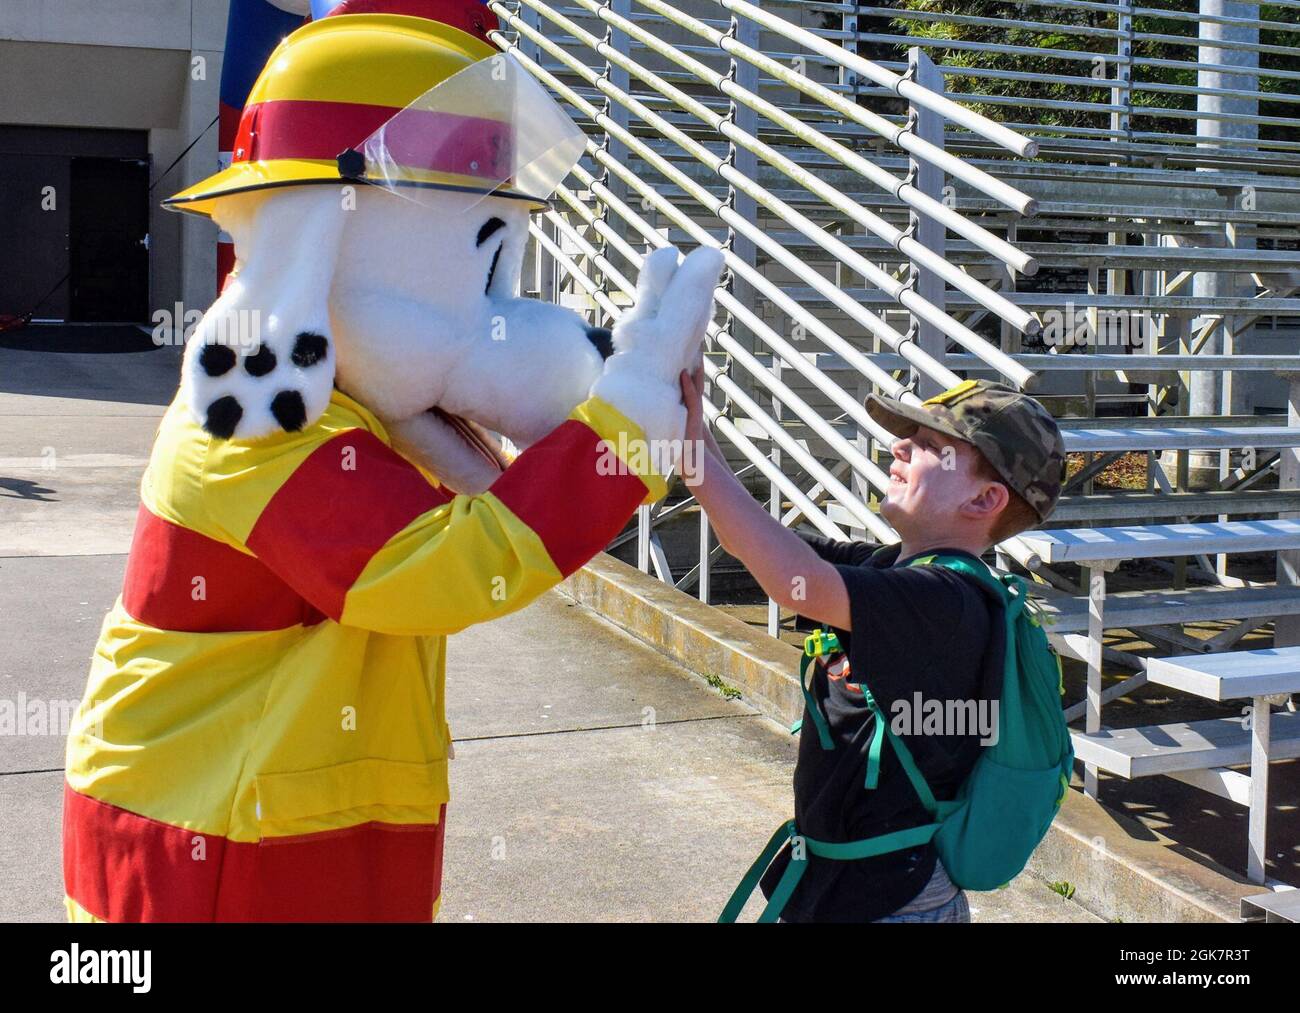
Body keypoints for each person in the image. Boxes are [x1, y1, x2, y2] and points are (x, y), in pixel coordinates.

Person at [678, 367, 1066, 923]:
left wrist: (690, 451)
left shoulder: (945, 601)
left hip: (890, 901)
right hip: (843, 886)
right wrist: (687, 420)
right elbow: (749, 539)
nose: (900, 445)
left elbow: (795, 579)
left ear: (985, 499)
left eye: (930, 445)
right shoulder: (896, 568)